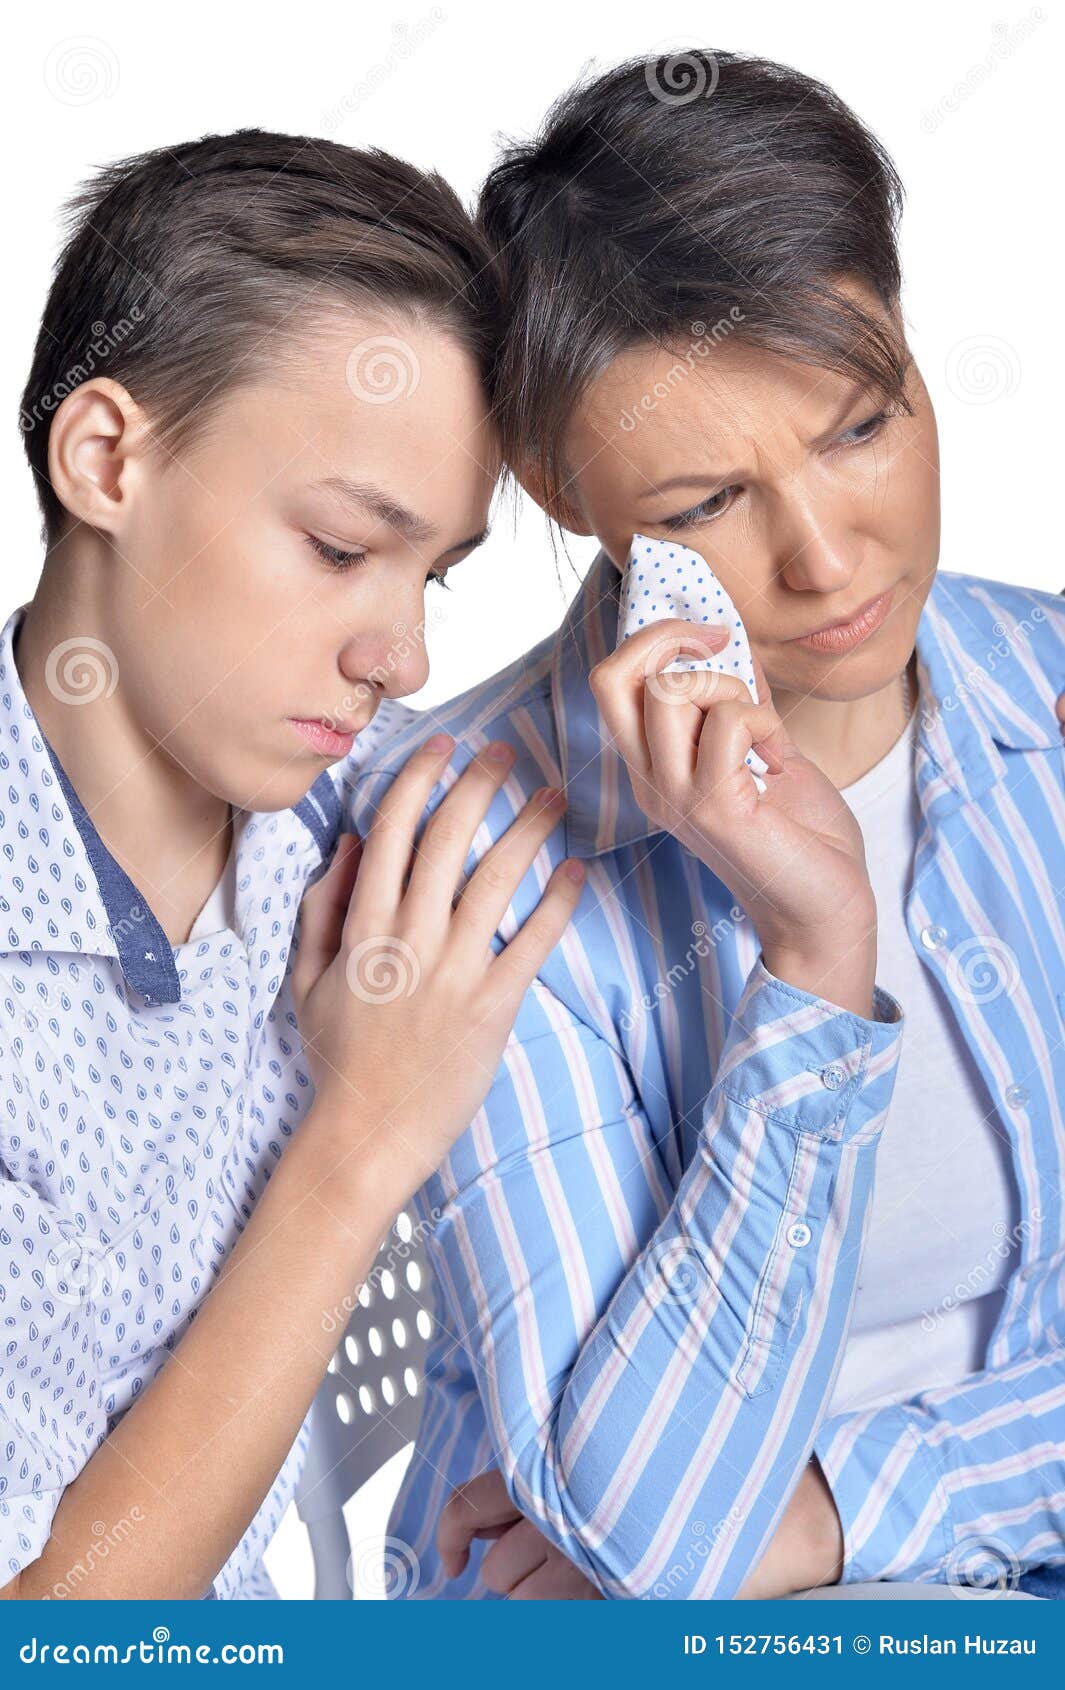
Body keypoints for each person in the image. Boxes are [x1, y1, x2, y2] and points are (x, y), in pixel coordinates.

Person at [346, 51, 1065, 1600]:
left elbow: (705, 1535)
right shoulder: (473, 834)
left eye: (861, 425)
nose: (823, 557)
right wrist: (813, 953)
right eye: (699, 506)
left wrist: (827, 1506)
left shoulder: (1048, 704)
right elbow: (655, 1545)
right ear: (554, 484)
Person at [0, 129, 586, 1600]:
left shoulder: (339, 801)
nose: (402, 654)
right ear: (108, 458)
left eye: (433, 573)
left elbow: (637, 754)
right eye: (338, 548)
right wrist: (360, 1142)